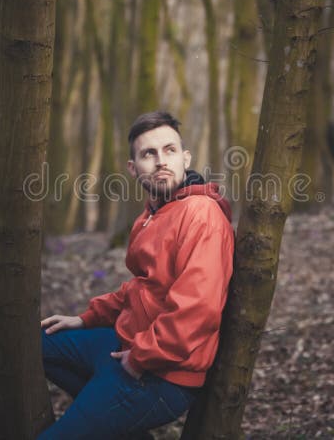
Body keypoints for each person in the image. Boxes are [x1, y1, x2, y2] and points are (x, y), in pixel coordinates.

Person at [38, 111, 235, 439]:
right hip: (124, 344)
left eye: (169, 150)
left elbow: (197, 310)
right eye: (149, 153)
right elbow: (143, 288)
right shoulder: (153, 213)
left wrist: (142, 358)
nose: (161, 161)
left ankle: (107, 413)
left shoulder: (201, 215)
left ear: (185, 158)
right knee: (38, 344)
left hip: (160, 374)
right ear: (133, 168)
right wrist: (87, 318)